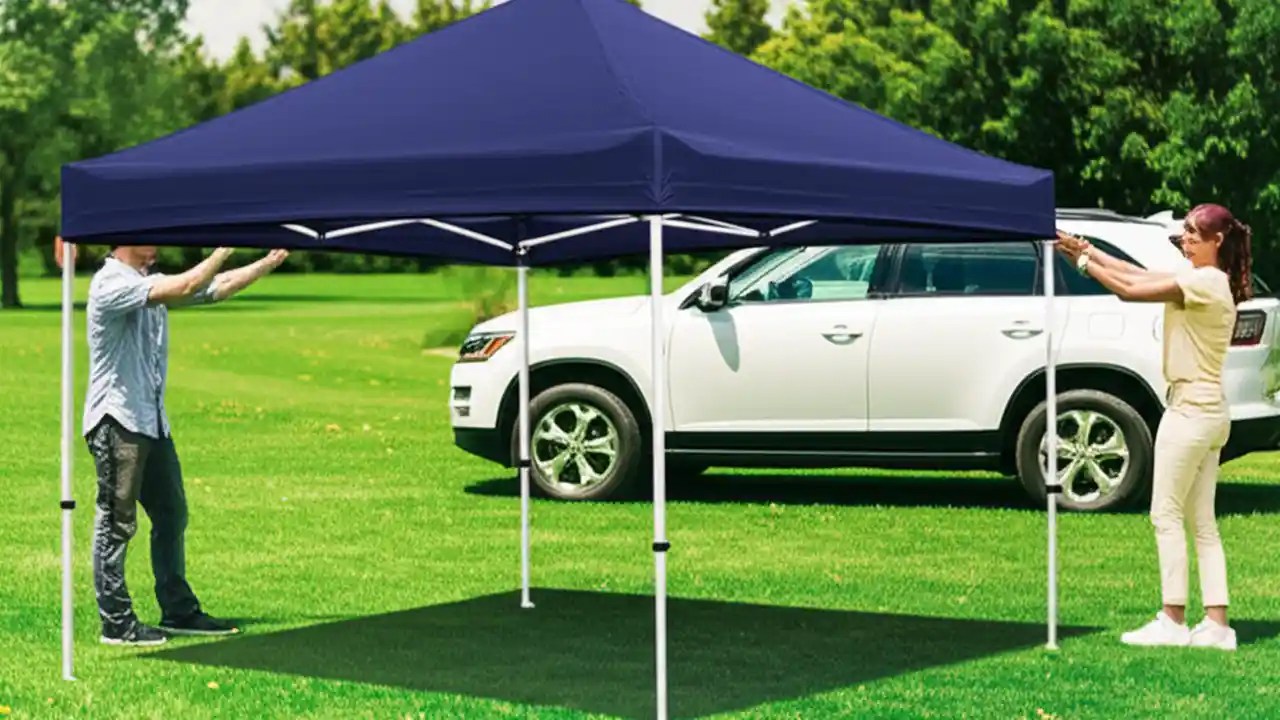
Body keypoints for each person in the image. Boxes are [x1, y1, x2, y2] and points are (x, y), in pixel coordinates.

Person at [1056, 203, 1252, 651]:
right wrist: (1086, 251)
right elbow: (1135, 274)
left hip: (1190, 412)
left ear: (1215, 241)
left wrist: (1083, 261)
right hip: (1209, 410)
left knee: (1164, 514)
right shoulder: (1209, 279)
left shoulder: (1204, 281)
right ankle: (1217, 627)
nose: (1183, 238)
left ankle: (1173, 619)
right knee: (1202, 522)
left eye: (1191, 233)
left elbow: (1129, 290)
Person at [82, 243, 289, 646]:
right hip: (117, 420)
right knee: (116, 522)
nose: (158, 242)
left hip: (150, 421)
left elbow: (215, 286)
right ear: (125, 242)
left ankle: (177, 610)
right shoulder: (110, 283)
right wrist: (222, 249)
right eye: (149, 235)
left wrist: (269, 261)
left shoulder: (151, 282)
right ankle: (117, 624)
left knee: (171, 514)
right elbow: (193, 281)